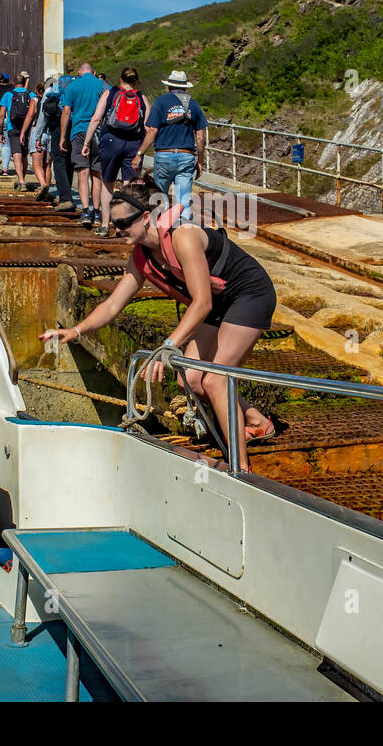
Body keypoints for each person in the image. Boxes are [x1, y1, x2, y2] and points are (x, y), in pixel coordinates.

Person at [40, 178, 277, 470]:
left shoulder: (183, 237)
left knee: (215, 379)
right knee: (189, 379)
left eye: (124, 222)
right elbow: (114, 304)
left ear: (145, 216)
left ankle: (241, 470)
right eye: (114, 223)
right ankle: (257, 421)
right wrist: (75, 331)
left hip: (248, 294)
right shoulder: (142, 258)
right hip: (218, 304)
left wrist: (169, 345)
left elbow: (201, 303)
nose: (118, 229)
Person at [134, 69, 207, 221]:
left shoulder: (161, 102)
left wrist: (140, 153)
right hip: (186, 156)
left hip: (164, 156)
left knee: (161, 200)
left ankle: (162, 237)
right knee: (184, 203)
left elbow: (152, 130)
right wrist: (200, 161)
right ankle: (182, 235)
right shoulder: (194, 105)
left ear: (169, 87)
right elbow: (200, 137)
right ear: (186, 88)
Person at [85, 66, 147, 236]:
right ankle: (126, 226)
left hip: (111, 141)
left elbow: (96, 118)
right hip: (134, 143)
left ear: (120, 79)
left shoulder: (110, 93)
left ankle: (105, 225)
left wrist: (86, 142)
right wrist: (142, 150)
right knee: (130, 185)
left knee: (107, 183)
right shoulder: (141, 98)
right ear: (136, 81)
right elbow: (147, 126)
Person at [59, 63, 109, 227]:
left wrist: (62, 136)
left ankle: (85, 212)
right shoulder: (103, 85)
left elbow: (66, 112)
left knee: (82, 173)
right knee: (97, 175)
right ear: (94, 72)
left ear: (79, 72)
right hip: (99, 133)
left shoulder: (72, 86)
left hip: (79, 132)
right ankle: (97, 212)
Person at [43, 73, 76, 209]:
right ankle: (68, 193)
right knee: (69, 161)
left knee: (58, 161)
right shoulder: (75, 89)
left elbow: (44, 114)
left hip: (58, 127)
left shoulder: (54, 90)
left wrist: (39, 135)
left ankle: (65, 198)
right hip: (75, 127)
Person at [0, 75, 38, 189]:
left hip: (13, 127)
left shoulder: (8, 94)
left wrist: (0, 131)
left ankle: (21, 181)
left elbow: (1, 114)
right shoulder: (31, 94)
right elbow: (36, 109)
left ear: (13, 82)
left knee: (16, 154)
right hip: (26, 129)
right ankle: (23, 179)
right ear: (25, 82)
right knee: (24, 155)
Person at [24, 72, 51, 198]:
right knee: (47, 164)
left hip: (38, 131)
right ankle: (47, 188)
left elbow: (30, 116)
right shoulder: (52, 99)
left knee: (36, 163)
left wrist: (23, 132)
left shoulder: (35, 100)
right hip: (50, 133)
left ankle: (43, 185)